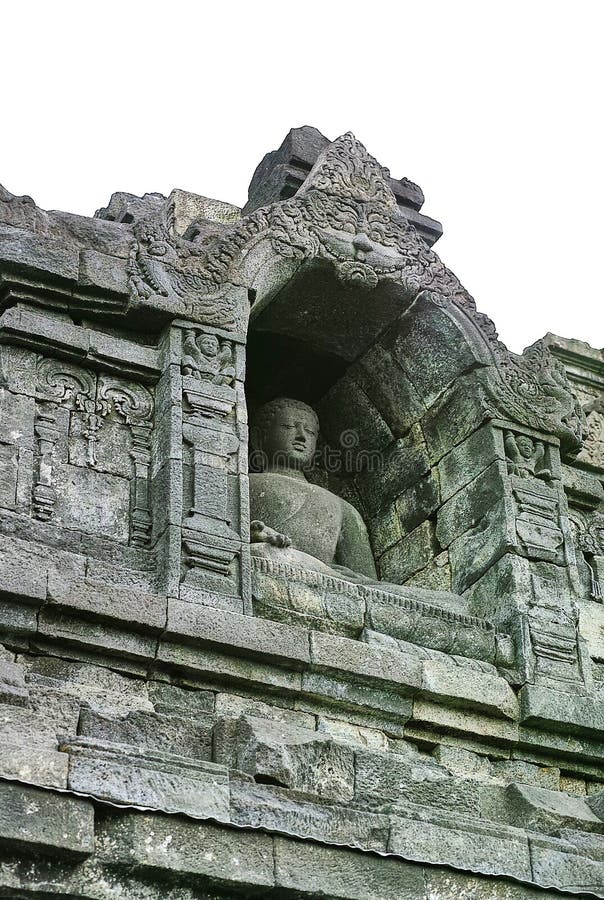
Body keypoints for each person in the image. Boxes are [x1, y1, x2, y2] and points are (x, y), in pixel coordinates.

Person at [249, 397, 377, 579]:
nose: (301, 436)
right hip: (265, 569)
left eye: (309, 432)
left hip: (327, 585)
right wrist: (253, 535)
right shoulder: (245, 484)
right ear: (259, 437)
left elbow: (367, 580)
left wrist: (343, 577)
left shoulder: (343, 508)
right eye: (288, 427)